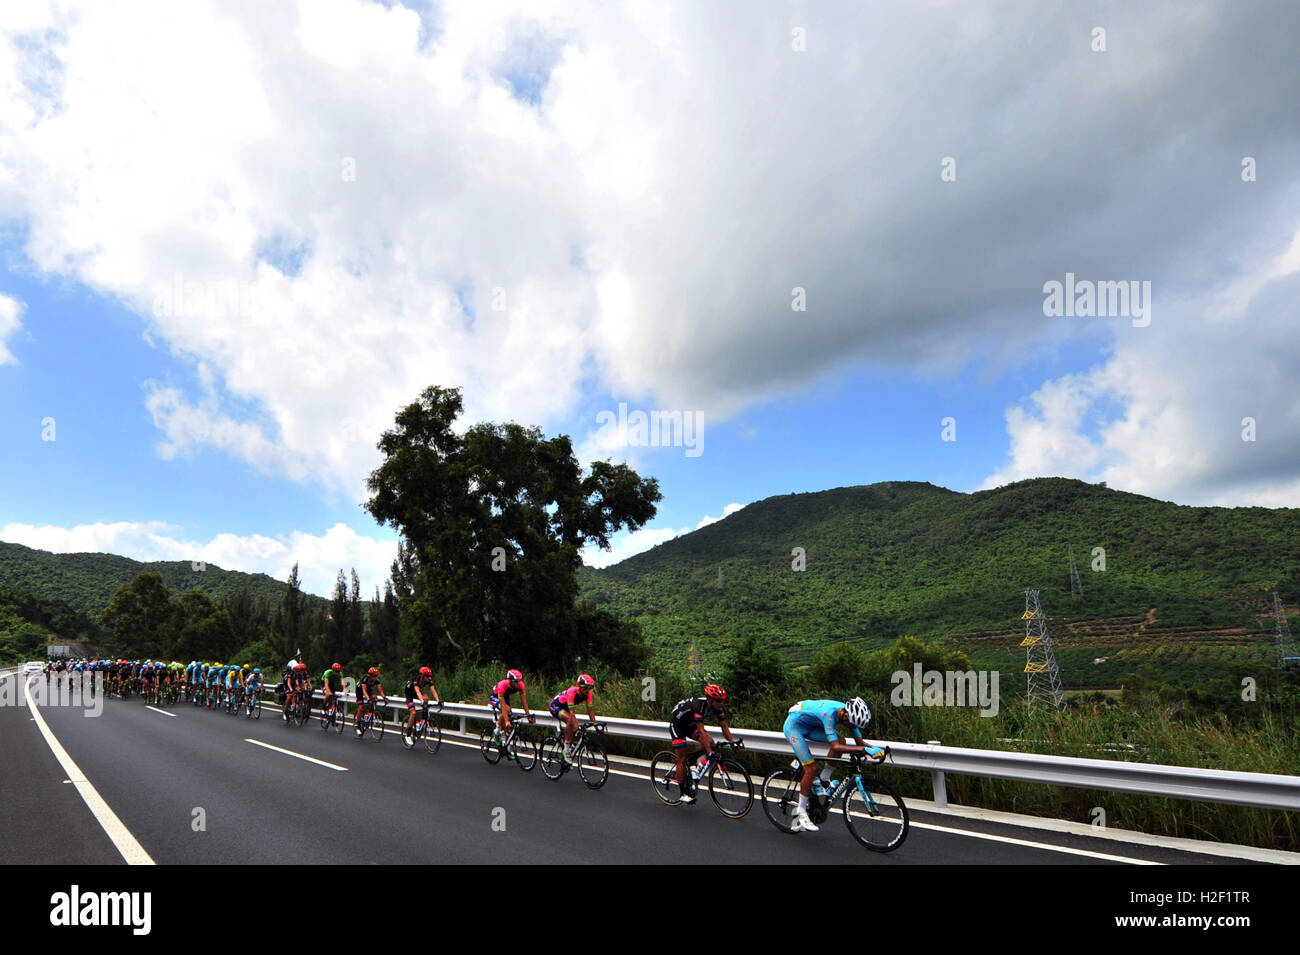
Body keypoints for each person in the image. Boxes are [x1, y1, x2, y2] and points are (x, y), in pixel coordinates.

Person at [782, 697, 884, 832]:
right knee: (811, 768)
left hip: (811, 725)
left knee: (842, 740)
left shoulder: (849, 716)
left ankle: (824, 780)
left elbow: (860, 743)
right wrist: (864, 750)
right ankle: (801, 812)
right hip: (794, 726)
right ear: (845, 715)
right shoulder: (829, 713)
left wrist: (876, 750)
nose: (851, 727)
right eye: (851, 724)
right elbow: (835, 747)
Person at [669, 684, 735, 804]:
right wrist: (710, 752)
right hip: (678, 725)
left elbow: (724, 726)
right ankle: (683, 793)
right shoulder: (699, 705)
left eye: (723, 700)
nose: (722, 703)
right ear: (710, 700)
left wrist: (732, 743)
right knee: (682, 759)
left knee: (710, 742)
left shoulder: (718, 708)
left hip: (690, 725)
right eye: (719, 701)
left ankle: (692, 760)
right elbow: (700, 730)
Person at [548, 674, 597, 764]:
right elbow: (572, 713)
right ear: (580, 687)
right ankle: (566, 749)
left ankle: (568, 743)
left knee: (576, 730)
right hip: (555, 706)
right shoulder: (572, 692)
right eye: (586, 688)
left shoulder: (588, 694)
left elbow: (590, 711)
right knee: (571, 721)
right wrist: (576, 728)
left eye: (590, 688)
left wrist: (596, 725)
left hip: (565, 708)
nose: (588, 690)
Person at [490, 669, 533, 754]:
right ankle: (497, 731)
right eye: (515, 681)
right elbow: (503, 706)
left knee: (509, 717)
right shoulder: (503, 685)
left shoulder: (521, 685)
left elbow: (524, 703)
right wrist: (506, 721)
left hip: (505, 697)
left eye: (519, 681)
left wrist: (528, 716)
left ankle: (505, 745)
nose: (518, 683)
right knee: (507, 710)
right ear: (509, 680)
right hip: (495, 697)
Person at [404, 666, 442, 734]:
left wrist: (438, 701)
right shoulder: (416, 680)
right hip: (409, 694)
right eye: (427, 676)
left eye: (430, 676)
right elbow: (418, 692)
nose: (429, 678)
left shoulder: (429, 680)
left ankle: (422, 720)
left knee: (426, 698)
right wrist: (422, 701)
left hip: (416, 693)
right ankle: (408, 730)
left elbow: (434, 691)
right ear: (422, 676)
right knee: (413, 712)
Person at [355, 667, 385, 731]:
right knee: (361, 707)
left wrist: (384, 698)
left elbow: (380, 691)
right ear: (370, 675)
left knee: (374, 697)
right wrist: (368, 698)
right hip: (360, 690)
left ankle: (369, 713)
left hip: (368, 689)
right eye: (373, 676)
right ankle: (357, 724)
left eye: (376, 676)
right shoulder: (365, 679)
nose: (375, 678)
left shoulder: (377, 680)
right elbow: (364, 690)